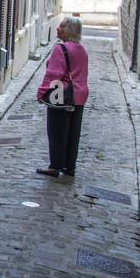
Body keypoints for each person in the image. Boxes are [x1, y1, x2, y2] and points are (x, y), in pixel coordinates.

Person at [36, 16, 90, 178]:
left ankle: (55, 166)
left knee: (57, 130)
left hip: (62, 95)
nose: (57, 29)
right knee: (73, 133)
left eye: (61, 27)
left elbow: (54, 75)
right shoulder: (82, 50)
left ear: (69, 31)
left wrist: (41, 93)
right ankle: (69, 166)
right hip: (80, 96)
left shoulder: (61, 49)